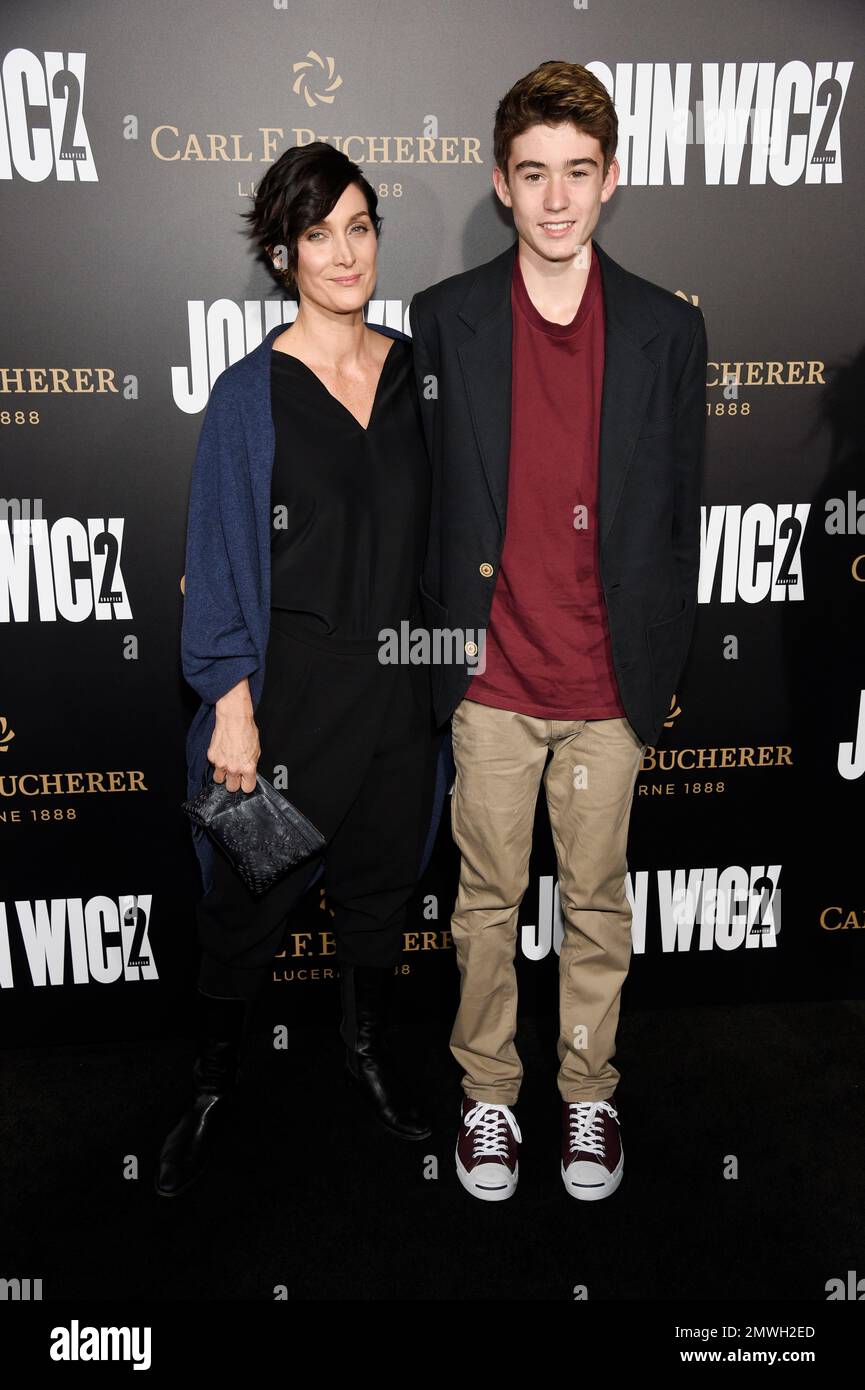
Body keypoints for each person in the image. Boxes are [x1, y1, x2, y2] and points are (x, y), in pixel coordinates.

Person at [409, 60, 708, 1202]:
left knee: (596, 903)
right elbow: (423, 505)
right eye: (532, 173)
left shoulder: (665, 331)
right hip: (486, 683)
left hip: (606, 687)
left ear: (611, 179)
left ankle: (587, 1100)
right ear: (498, 183)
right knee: (483, 904)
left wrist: (657, 666)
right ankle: (491, 1101)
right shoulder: (444, 320)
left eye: (576, 173)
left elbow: (679, 514)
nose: (554, 198)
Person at [156, 141, 442, 1199]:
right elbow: (219, 552)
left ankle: (367, 1054)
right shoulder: (249, 395)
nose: (343, 252)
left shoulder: (420, 373)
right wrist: (230, 705)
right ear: (283, 252)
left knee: (379, 894)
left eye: (359, 227)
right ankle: (211, 1085)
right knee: (241, 907)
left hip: (402, 696)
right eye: (317, 233)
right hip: (288, 701)